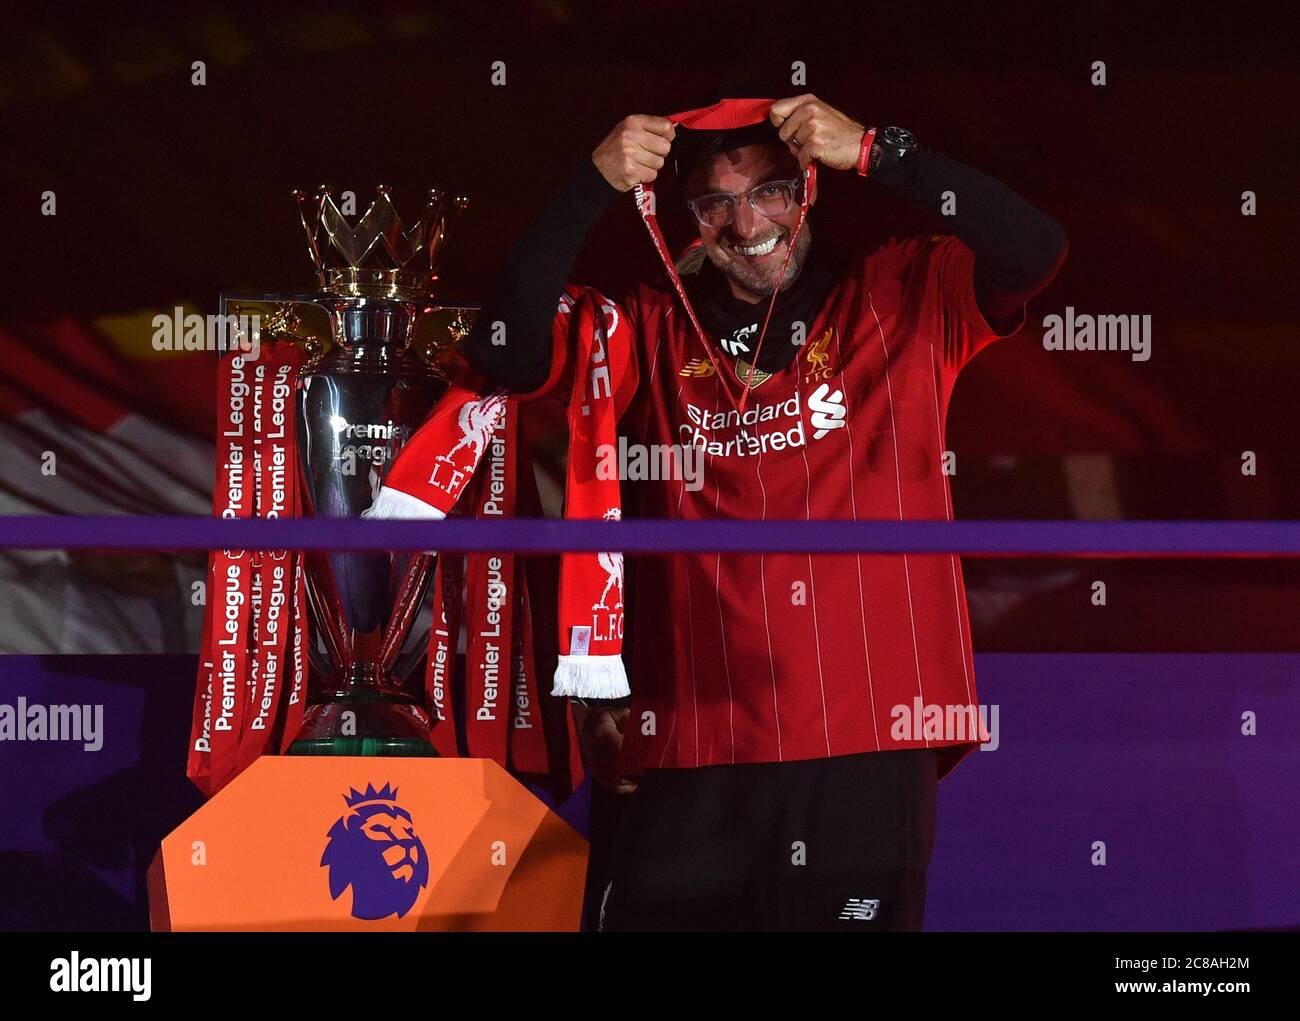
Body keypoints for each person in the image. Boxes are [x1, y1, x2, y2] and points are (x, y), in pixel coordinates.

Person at [463, 88, 1067, 931]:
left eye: (769, 192)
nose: (748, 226)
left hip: (864, 747)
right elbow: (503, 350)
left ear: (809, 188)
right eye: (717, 202)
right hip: (683, 751)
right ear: (686, 214)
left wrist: (880, 152)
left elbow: (1035, 249)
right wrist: (589, 184)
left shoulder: (902, 297)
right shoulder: (645, 328)